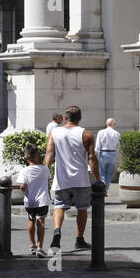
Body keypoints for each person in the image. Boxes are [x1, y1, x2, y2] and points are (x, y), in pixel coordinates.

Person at [45, 105, 100, 252]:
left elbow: (49, 154)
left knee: (59, 206)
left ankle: (57, 230)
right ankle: (79, 239)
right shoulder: (86, 134)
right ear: (80, 118)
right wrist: (98, 178)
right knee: (82, 209)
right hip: (80, 179)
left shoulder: (54, 132)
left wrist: (45, 174)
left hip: (61, 179)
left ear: (65, 118)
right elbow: (92, 158)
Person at [15, 143, 51, 256]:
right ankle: (40, 247)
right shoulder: (45, 169)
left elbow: (22, 186)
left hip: (30, 201)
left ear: (26, 157)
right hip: (43, 200)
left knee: (31, 220)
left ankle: (32, 245)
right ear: (38, 156)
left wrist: (26, 191)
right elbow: (49, 182)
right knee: (41, 221)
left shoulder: (24, 171)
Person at [95, 118, 121, 192]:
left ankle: (102, 188)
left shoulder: (101, 132)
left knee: (102, 172)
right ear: (114, 124)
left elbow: (98, 145)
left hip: (103, 153)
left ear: (106, 124)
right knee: (110, 174)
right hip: (112, 153)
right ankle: (105, 189)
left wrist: (96, 153)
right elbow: (118, 146)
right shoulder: (117, 133)